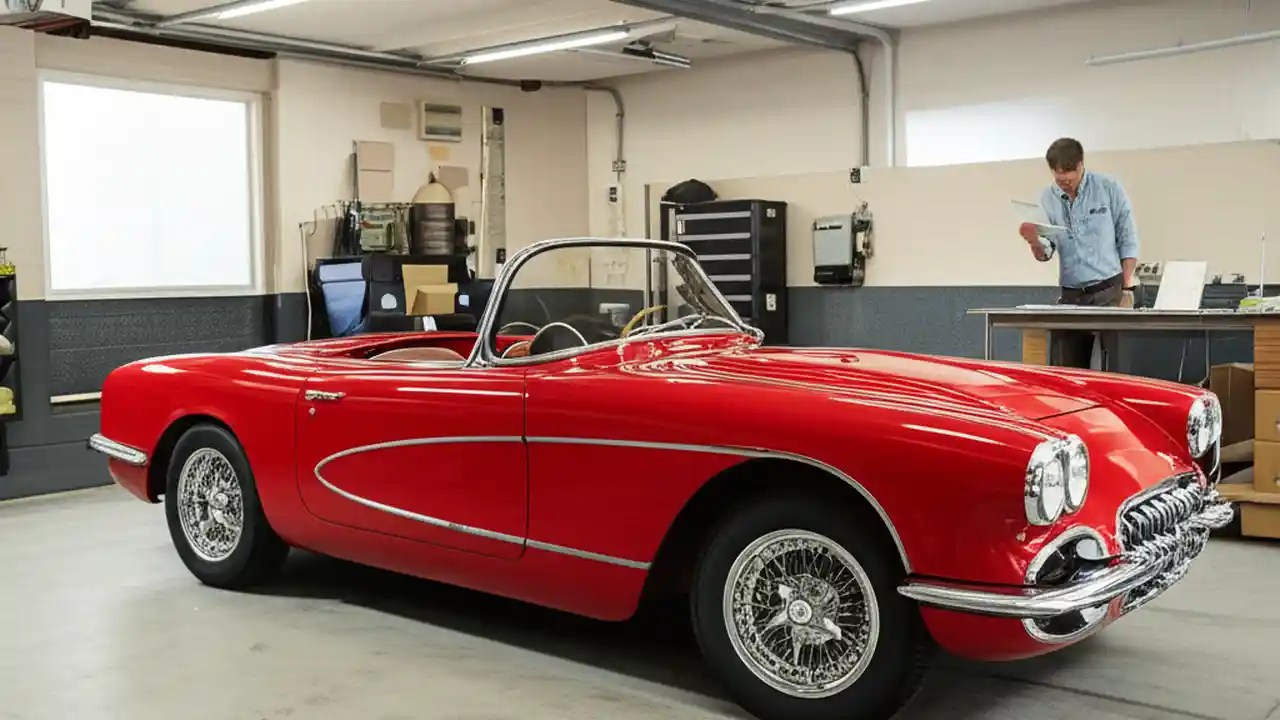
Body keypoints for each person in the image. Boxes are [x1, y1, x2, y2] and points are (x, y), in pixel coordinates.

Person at [1020, 137, 1140, 369]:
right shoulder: (1047, 198)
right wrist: (1034, 241)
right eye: (1057, 176)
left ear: (1080, 165)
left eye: (1068, 175)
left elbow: (1128, 238)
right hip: (1071, 296)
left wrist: (1126, 288)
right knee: (1068, 370)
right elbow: (1046, 253)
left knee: (1111, 368)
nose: (1063, 181)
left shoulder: (1108, 188)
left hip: (1109, 291)